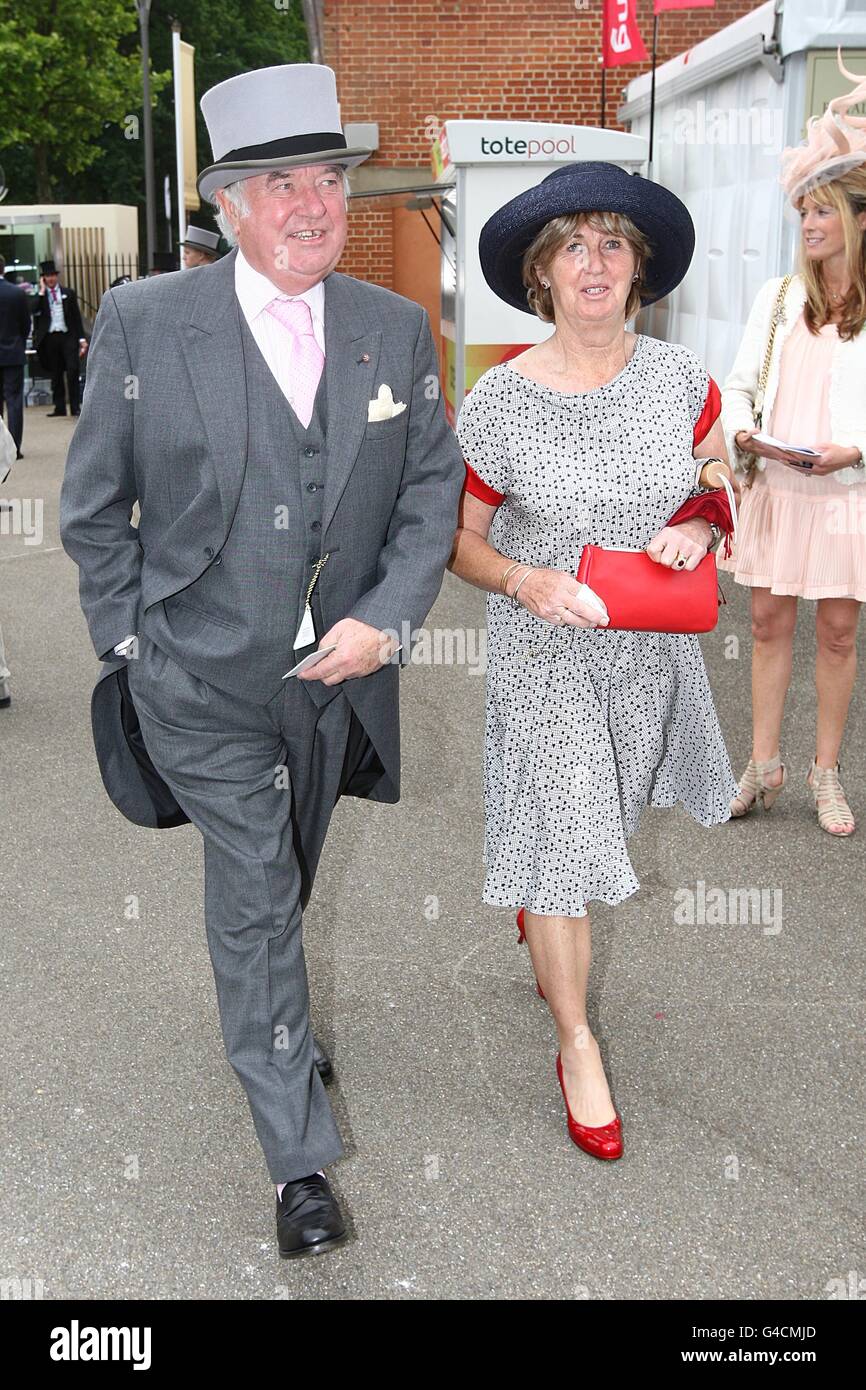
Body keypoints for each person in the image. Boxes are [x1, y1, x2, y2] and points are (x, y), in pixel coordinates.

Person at [60, 63, 463, 1259]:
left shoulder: (393, 330)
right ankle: (297, 1162)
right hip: (196, 678)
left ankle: (275, 1010)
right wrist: (132, 641)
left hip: (335, 679)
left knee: (283, 879)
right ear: (226, 207)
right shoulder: (144, 322)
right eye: (275, 182)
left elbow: (429, 489)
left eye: (324, 178)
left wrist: (388, 615)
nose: (309, 202)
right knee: (252, 900)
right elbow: (91, 511)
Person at [449, 162, 738, 1161]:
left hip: (646, 661)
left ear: (638, 271)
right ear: (539, 275)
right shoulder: (498, 400)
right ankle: (575, 1042)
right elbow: (460, 540)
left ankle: (542, 912)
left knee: (597, 827)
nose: (594, 261)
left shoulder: (682, 380)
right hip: (547, 658)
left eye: (612, 242)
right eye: (571, 244)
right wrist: (524, 580)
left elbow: (714, 469)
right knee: (569, 844)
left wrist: (702, 518)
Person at [720, 50, 866, 838]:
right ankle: (764, 764)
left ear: (858, 218)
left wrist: (856, 449)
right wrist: (744, 431)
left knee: (839, 633)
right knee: (768, 625)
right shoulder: (778, 299)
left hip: (846, 495)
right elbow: (740, 383)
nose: (809, 225)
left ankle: (825, 773)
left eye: (823, 211)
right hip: (778, 486)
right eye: (802, 212)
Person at [31, 260, 87, 417]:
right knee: (56, 374)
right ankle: (59, 407)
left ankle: (75, 406)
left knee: (72, 370)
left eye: (53, 276)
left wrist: (81, 338)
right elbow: (33, 309)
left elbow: (76, 317)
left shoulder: (68, 293)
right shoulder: (40, 296)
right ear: (43, 278)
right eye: (47, 276)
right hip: (50, 338)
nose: (51, 279)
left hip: (67, 335)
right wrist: (41, 292)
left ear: (56, 277)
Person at [0, 254, 31, 459]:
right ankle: (14, 448)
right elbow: (25, 325)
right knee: (14, 401)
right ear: (3, 269)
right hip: (12, 353)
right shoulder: (16, 293)